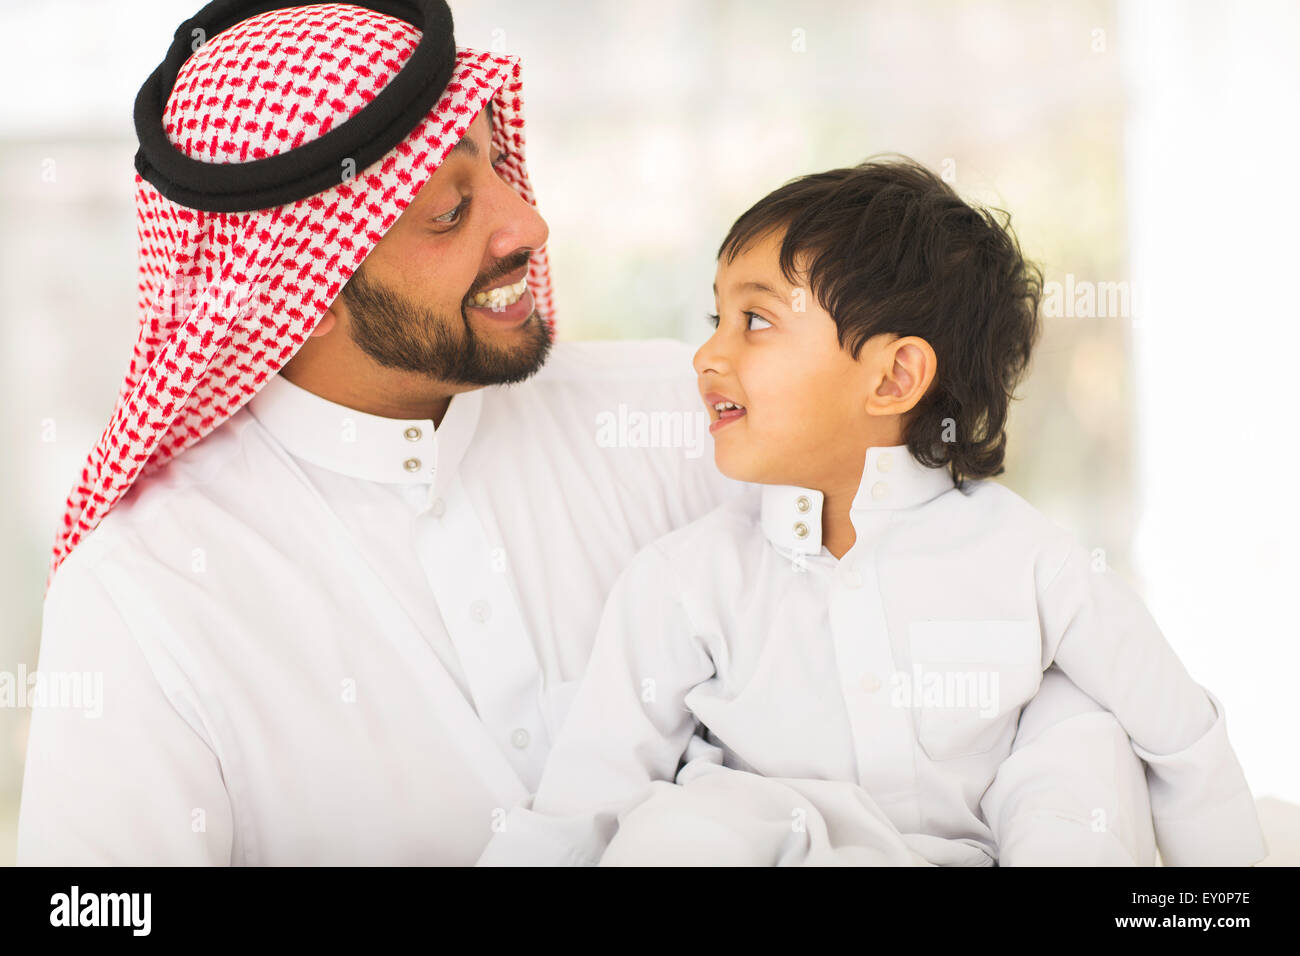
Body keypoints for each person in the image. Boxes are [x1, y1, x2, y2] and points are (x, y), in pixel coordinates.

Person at [19, 1, 1158, 865]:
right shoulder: (149, 599)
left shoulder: (687, 416)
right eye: (452, 209)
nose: (529, 223)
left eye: (500, 168)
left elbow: (999, 638)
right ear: (296, 280)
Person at [477, 160, 1268, 867]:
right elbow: (586, 796)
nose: (708, 356)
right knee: (686, 827)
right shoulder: (682, 583)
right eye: (713, 320)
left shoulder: (1032, 561)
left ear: (894, 379)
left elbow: (1179, 736)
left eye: (754, 321)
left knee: (1087, 749)